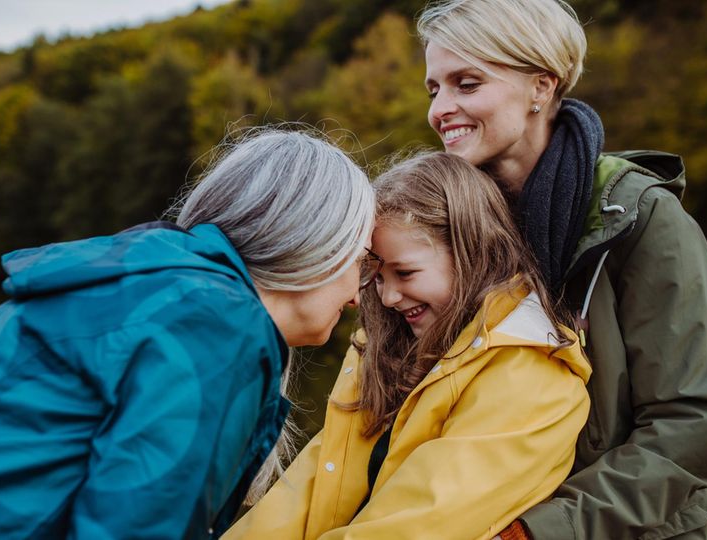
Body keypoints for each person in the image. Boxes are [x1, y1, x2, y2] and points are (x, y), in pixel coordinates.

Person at [0, 129, 375, 539]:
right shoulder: (214, 324)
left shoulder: (159, 286)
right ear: (313, 245)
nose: (358, 294)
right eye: (361, 261)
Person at [417, 1, 707, 538]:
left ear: (541, 86)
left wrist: (538, 532)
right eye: (433, 89)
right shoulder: (450, 229)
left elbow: (691, 425)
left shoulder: (640, 216)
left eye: (467, 83)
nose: (441, 109)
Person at [225, 152, 591, 539]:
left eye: (405, 272)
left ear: (472, 253)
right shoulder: (382, 349)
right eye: (378, 277)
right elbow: (310, 489)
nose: (387, 298)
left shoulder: (530, 377)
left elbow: (417, 524)